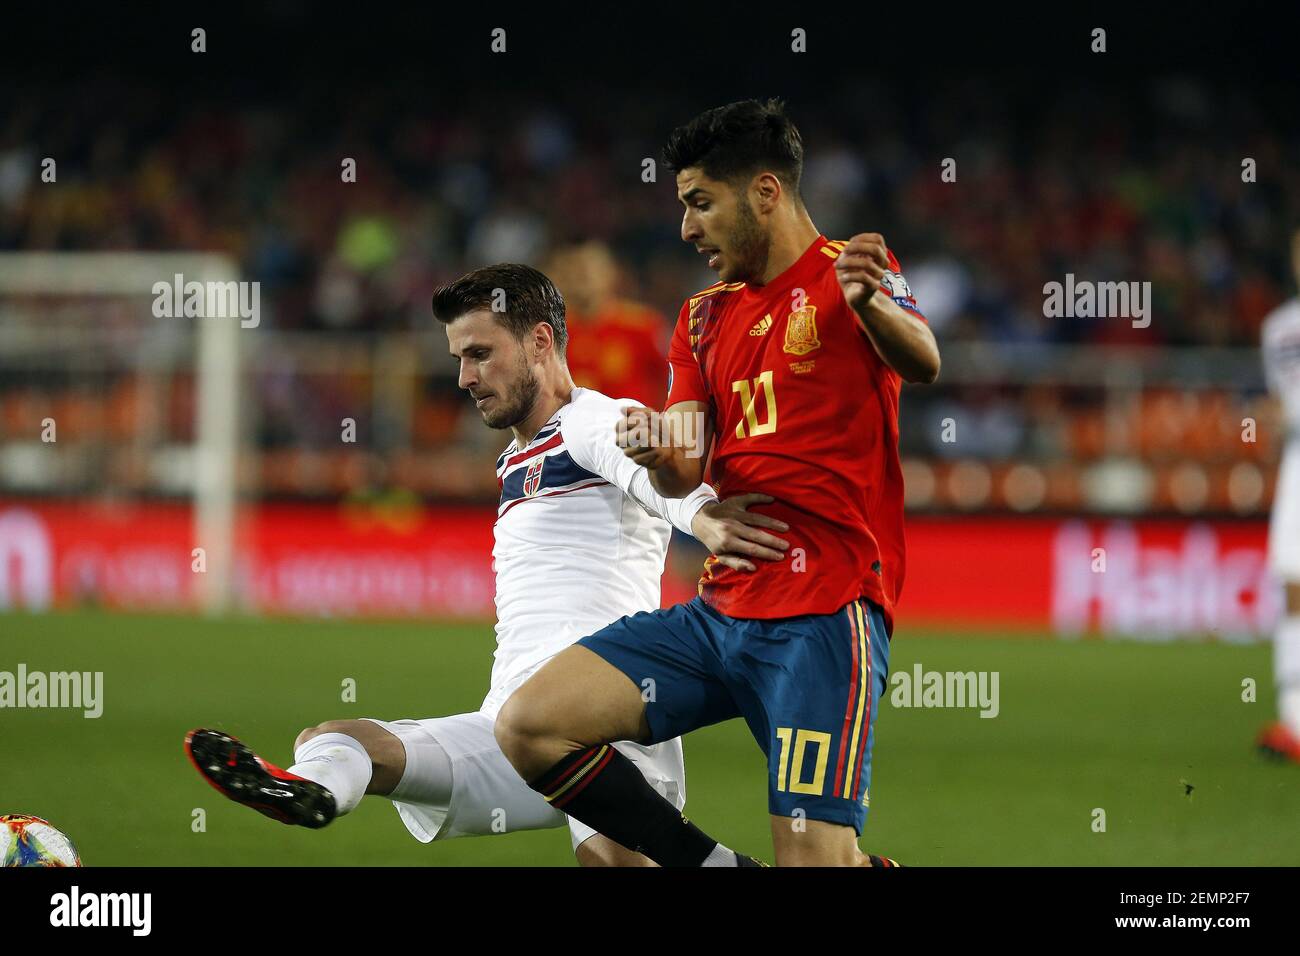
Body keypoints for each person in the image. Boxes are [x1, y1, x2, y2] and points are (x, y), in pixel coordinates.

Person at [185, 263, 789, 865]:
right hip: (510, 725)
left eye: (479, 354)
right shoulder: (514, 460)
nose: (464, 377)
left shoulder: (591, 419)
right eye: (458, 359)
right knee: (336, 741)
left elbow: (647, 471)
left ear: (540, 342)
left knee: (617, 860)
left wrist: (703, 517)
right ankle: (310, 791)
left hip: (601, 710)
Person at [494, 99, 937, 866]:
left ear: (764, 192)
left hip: (822, 615)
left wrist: (870, 305)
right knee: (529, 725)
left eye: (700, 203)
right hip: (719, 613)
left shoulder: (850, 274)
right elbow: (684, 468)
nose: (686, 228)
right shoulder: (702, 318)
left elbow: (923, 359)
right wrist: (653, 447)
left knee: (814, 861)